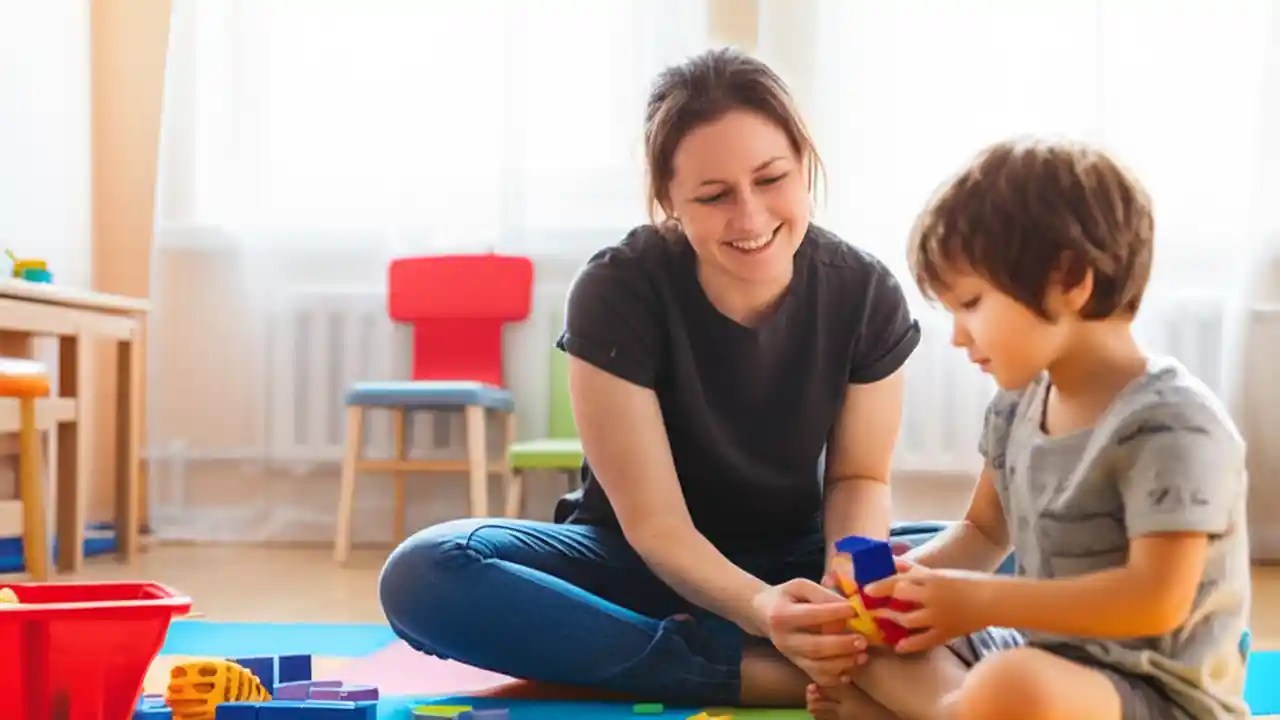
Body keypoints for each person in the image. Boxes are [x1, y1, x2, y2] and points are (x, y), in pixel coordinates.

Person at [377, 47, 925, 708]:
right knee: (425, 574)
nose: (750, 217)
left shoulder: (865, 292)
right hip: (633, 565)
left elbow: (858, 479)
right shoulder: (617, 288)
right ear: (670, 200)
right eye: (714, 195)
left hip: (797, 562)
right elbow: (655, 525)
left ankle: (779, 649)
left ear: (804, 165)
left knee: (1008, 563)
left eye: (772, 178)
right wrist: (760, 609)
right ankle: (756, 673)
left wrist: (851, 583)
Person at [805, 138, 1252, 720]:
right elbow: (983, 533)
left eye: (971, 303)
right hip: (1039, 658)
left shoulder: (1173, 427)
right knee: (864, 645)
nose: (959, 337)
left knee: (1010, 688)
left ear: (1069, 280)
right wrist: (903, 590)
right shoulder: (1017, 404)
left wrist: (981, 601)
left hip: (1155, 698)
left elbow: (1156, 601)